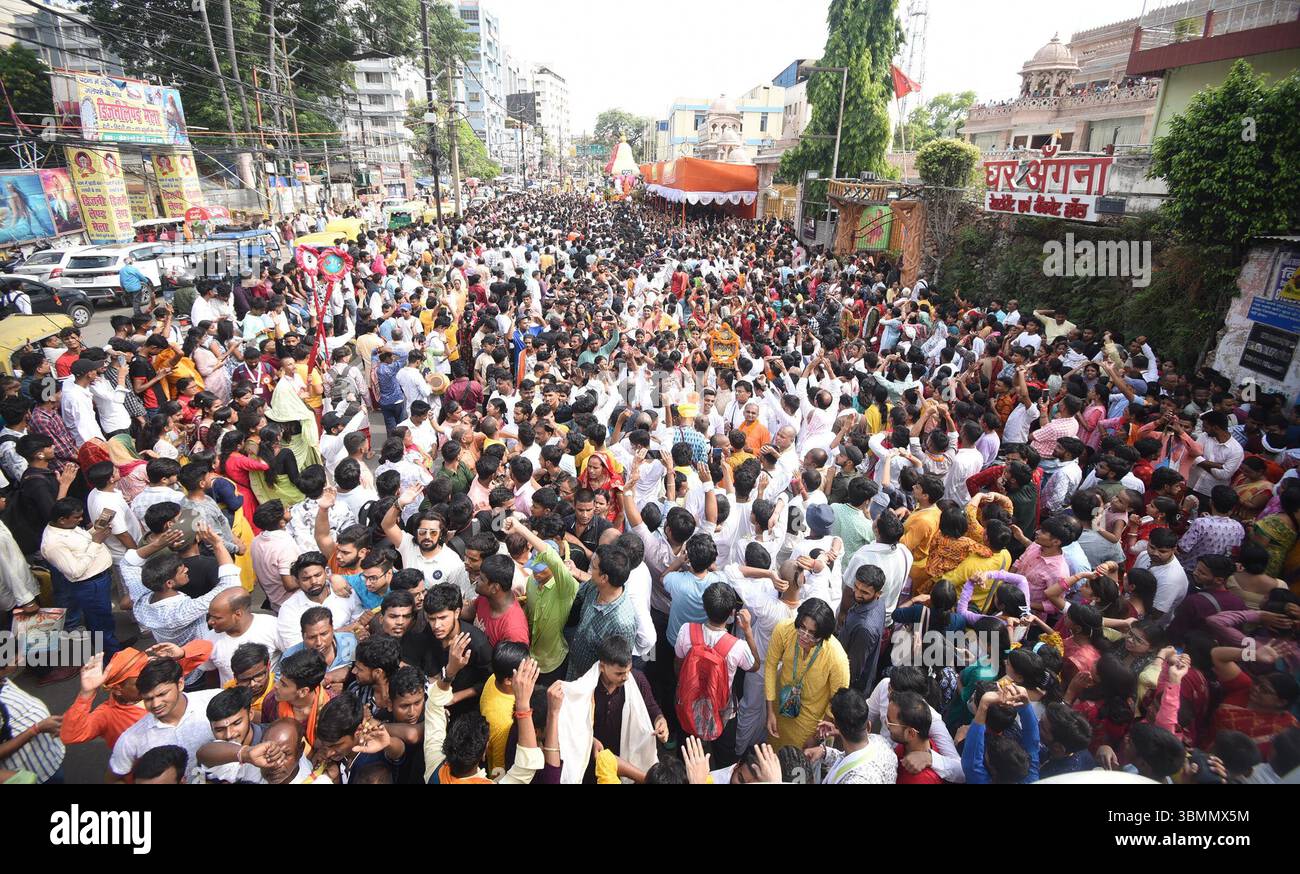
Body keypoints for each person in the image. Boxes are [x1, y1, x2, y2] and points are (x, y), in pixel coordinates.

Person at [106, 657, 220, 781]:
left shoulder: (213, 700)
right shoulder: (131, 739)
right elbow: (113, 778)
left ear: (180, 684)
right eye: (148, 699)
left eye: (162, 694)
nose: (156, 704)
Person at [764, 599, 849, 750]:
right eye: (802, 628)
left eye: (812, 634)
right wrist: (770, 711)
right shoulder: (784, 629)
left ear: (823, 636)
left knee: (798, 768)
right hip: (780, 710)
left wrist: (817, 737)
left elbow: (837, 700)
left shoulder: (837, 657)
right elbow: (770, 665)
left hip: (809, 724)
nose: (804, 636)